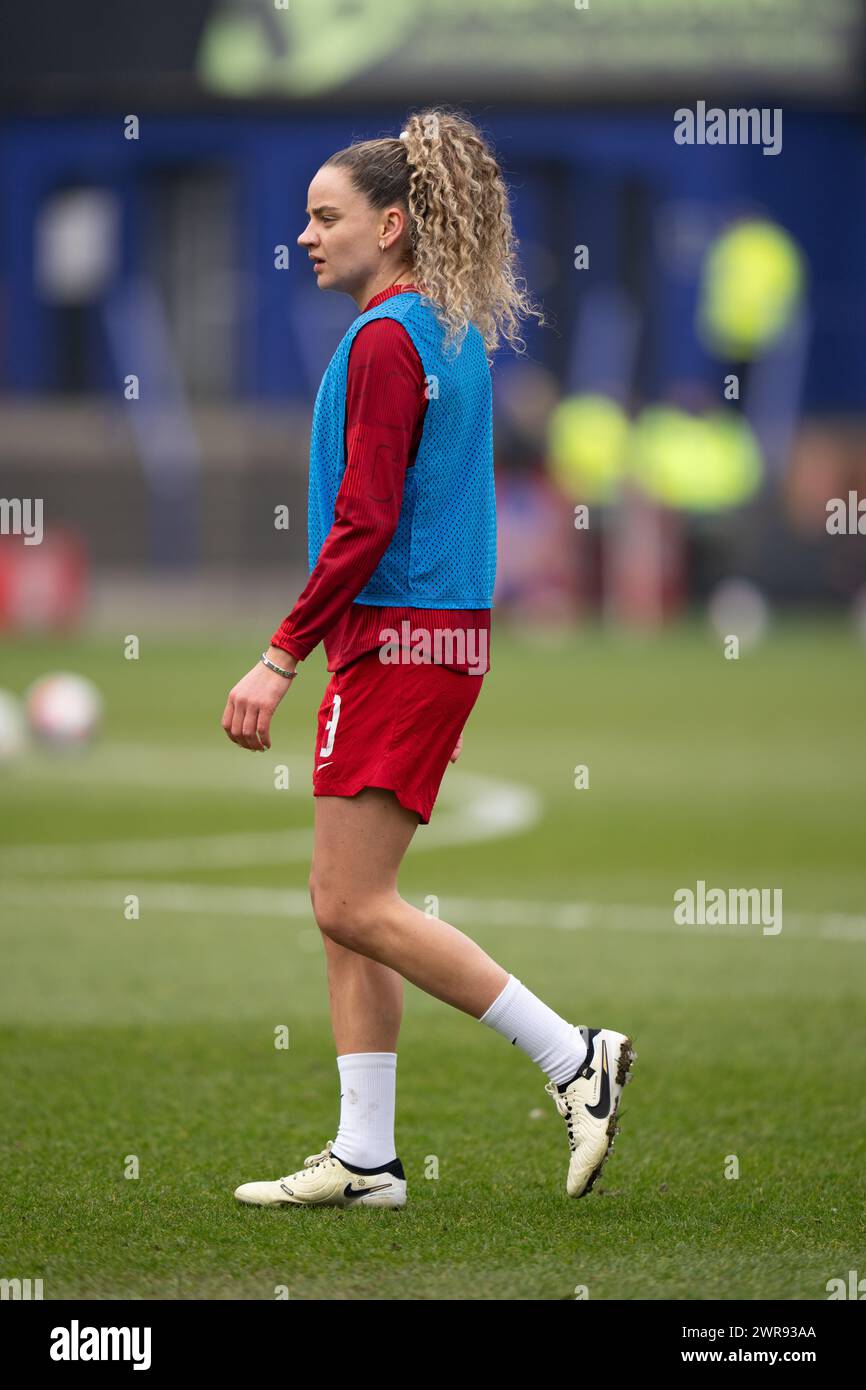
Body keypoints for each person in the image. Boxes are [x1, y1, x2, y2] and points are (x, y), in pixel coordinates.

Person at [222, 108, 636, 1209]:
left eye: (325, 217)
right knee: (342, 897)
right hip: (428, 639)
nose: (303, 236)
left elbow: (362, 523)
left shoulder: (386, 340)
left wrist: (277, 653)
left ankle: (571, 1054)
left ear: (391, 224)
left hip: (399, 640)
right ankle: (366, 1159)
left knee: (354, 903)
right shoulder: (442, 329)